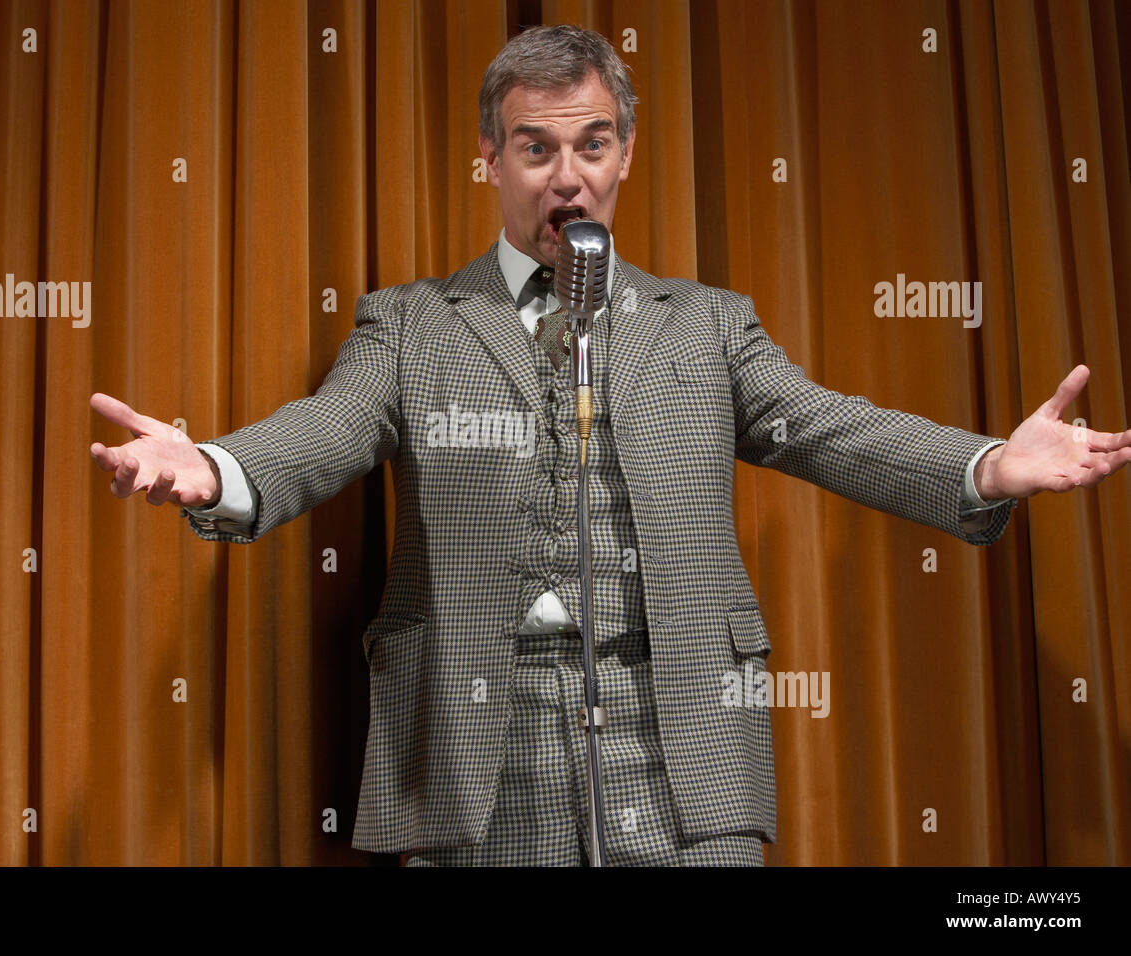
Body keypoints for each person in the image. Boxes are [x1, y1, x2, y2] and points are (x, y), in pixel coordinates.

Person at [89, 25, 1131, 866]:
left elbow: (826, 424)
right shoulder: (408, 324)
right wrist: (217, 466)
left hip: (682, 746)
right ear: (489, 160)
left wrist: (985, 462)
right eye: (534, 147)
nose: (565, 175)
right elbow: (329, 427)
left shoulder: (708, 324)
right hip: (476, 753)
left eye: (590, 144)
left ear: (624, 155)